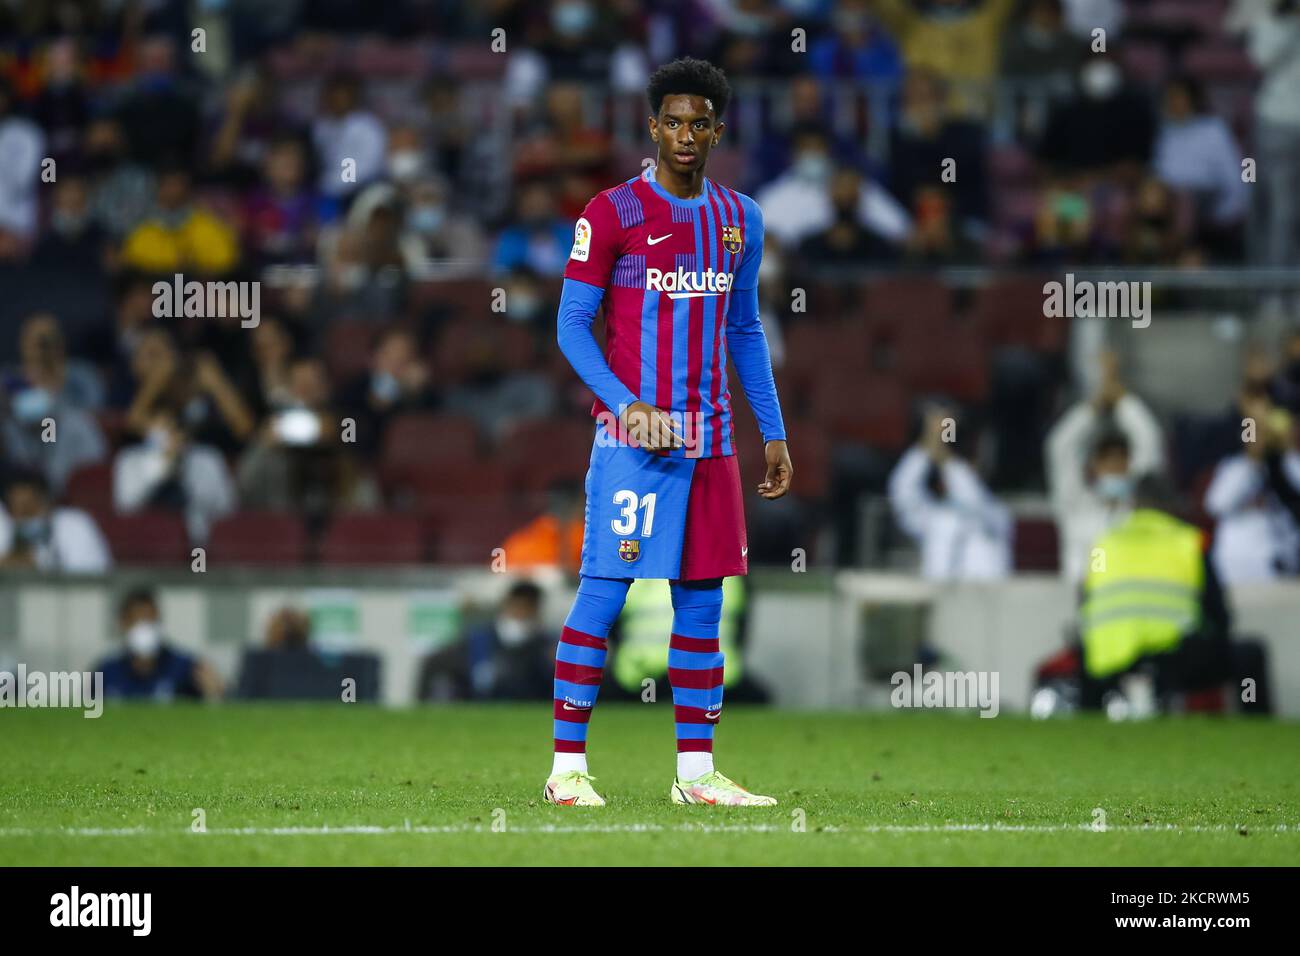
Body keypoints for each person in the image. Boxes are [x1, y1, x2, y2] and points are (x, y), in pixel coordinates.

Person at [544, 58, 790, 808]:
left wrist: (771, 432)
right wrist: (625, 405)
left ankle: (695, 776)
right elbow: (571, 326)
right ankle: (566, 771)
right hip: (634, 445)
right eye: (673, 122)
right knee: (603, 594)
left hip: (711, 442)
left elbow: (745, 329)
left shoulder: (741, 218)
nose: (686, 135)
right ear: (653, 126)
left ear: (718, 129)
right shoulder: (611, 213)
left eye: (700, 123)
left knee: (703, 604)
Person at [1077, 475, 1271, 715]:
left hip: (1107, 661)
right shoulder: (1190, 542)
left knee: (1085, 655)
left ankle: (1088, 718)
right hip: (1174, 658)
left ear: (1134, 504)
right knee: (1249, 655)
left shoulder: (1103, 545)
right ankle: (1256, 720)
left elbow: (1086, 604)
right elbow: (1218, 614)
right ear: (1172, 504)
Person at [1045, 352, 1164, 583]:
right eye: (1107, 461)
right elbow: (1060, 447)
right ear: (1093, 468)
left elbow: (1150, 441)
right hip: (1080, 608)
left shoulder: (1138, 510)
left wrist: (1122, 399)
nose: (1114, 467)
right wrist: (1094, 406)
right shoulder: (1075, 504)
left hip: (1125, 605)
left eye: (1121, 461)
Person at [888, 405, 1012, 580]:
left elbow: (971, 497)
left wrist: (945, 453)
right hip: (941, 603)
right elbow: (902, 492)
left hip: (983, 604)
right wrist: (928, 446)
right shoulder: (935, 518)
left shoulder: (995, 515)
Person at [1203, 393, 1300, 582]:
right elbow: (1215, 505)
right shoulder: (1236, 467)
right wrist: (1253, 453)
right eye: (1258, 430)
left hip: (1280, 565)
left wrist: (1282, 447)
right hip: (1234, 564)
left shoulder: (1290, 464)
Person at [419, 582, 557, 702]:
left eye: (527, 608)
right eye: (518, 606)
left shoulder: (545, 645)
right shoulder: (479, 640)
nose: (521, 613)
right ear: (507, 605)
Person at [96, 588, 223, 701]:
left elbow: (212, 704)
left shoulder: (186, 669)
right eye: (136, 620)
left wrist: (214, 693)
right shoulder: (106, 672)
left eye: (149, 619)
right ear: (123, 624)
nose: (144, 627)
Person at [0, 470, 111, 573]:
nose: (21, 516)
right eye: (15, 510)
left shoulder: (76, 524)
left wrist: (38, 565)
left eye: (28, 509)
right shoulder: (6, 526)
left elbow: (94, 577)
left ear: (48, 503)